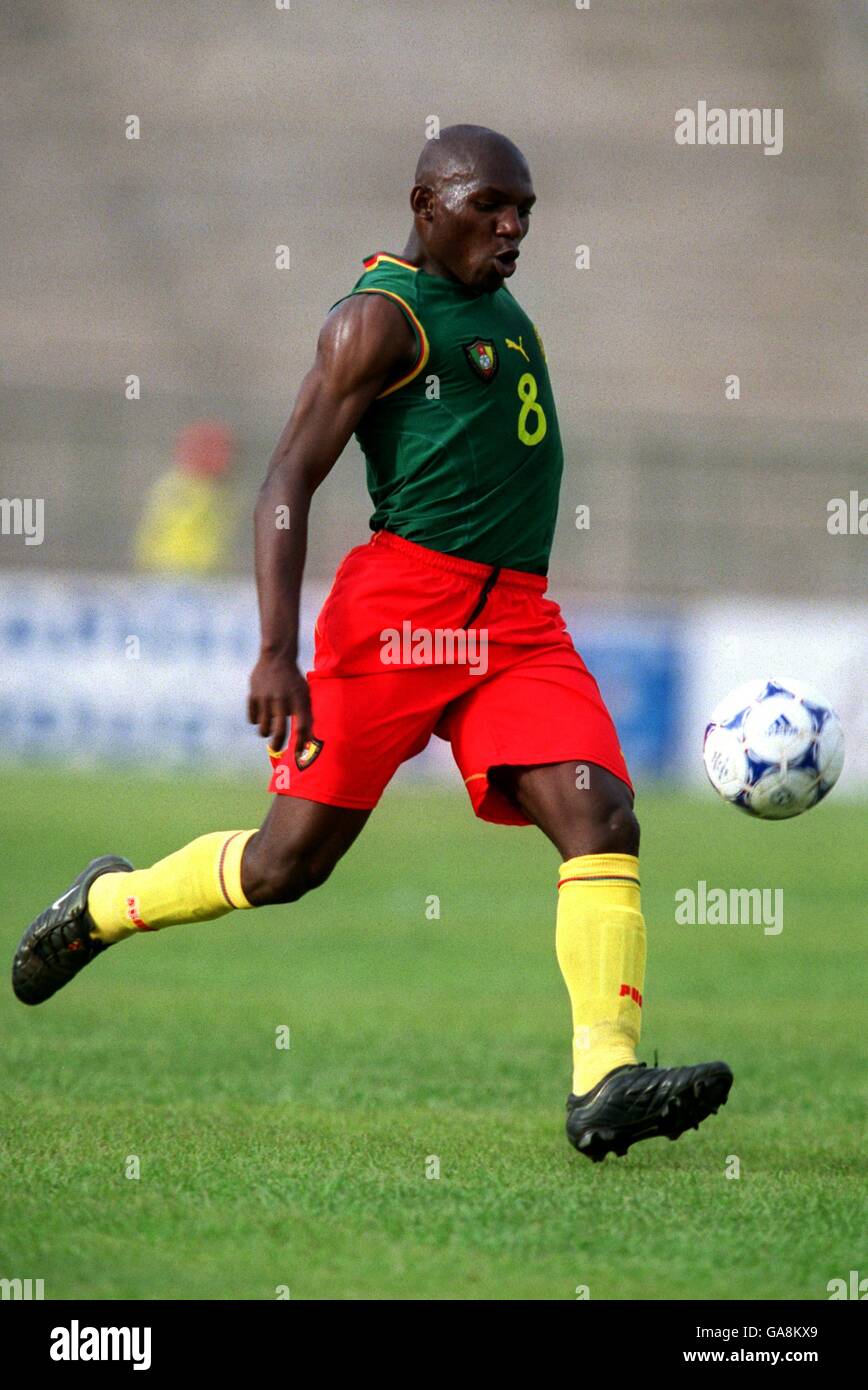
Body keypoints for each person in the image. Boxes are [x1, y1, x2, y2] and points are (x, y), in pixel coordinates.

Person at [12, 125, 732, 1162]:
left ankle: (603, 1080)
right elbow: (283, 483)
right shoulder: (376, 321)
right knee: (283, 864)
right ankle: (105, 905)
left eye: (523, 209)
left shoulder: (493, 302)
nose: (513, 226)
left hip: (518, 623)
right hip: (400, 618)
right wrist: (273, 650)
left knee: (601, 815)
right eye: (490, 206)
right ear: (423, 202)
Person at [133, 420, 235, 575]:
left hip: (199, 575)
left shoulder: (212, 489)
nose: (225, 458)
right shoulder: (184, 487)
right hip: (172, 572)